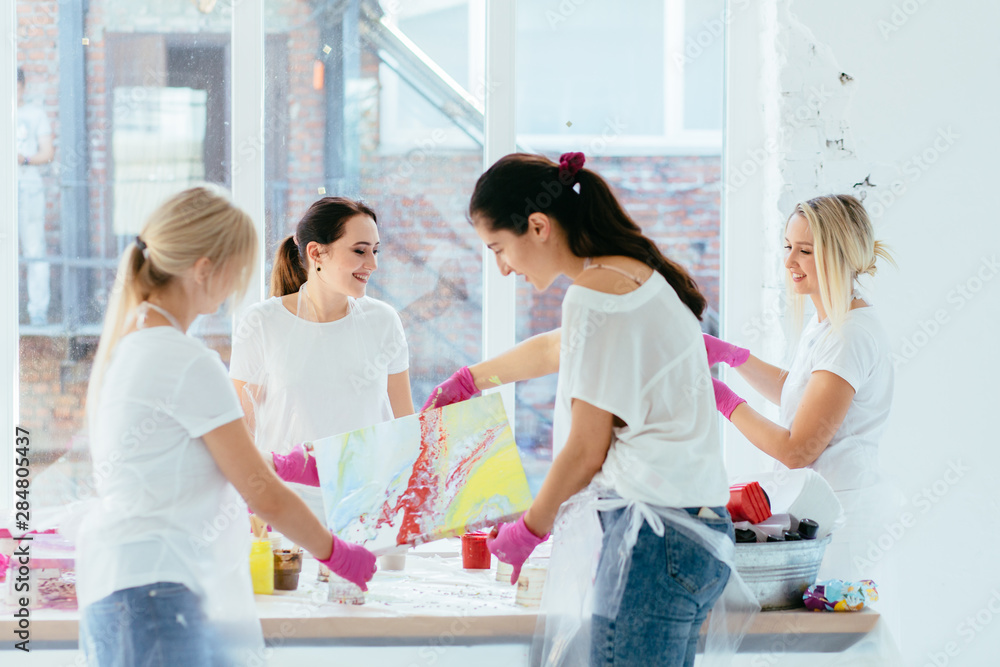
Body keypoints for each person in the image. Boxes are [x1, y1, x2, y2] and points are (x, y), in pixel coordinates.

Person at [433, 152, 753, 667]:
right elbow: (560, 349)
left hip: (654, 540)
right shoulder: (630, 277)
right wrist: (472, 379)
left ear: (537, 225)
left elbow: (585, 451)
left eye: (498, 248)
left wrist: (528, 530)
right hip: (692, 537)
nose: (502, 268)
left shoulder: (594, 296)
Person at [77, 187, 377, 666]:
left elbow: (225, 461)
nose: (241, 282)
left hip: (131, 586)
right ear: (203, 268)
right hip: (158, 592)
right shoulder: (185, 360)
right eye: (238, 267)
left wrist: (303, 464)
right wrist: (336, 553)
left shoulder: (135, 344)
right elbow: (261, 491)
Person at [708, 194, 896, 583]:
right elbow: (801, 396)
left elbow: (798, 450)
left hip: (843, 518)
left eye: (805, 251)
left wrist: (722, 400)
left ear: (840, 255)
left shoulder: (850, 335)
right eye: (788, 247)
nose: (789, 261)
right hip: (821, 509)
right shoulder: (827, 321)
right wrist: (732, 357)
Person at [229, 197, 413, 521]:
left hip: (366, 512)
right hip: (287, 512)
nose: (372, 264)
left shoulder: (383, 321)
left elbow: (405, 426)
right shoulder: (262, 322)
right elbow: (241, 434)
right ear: (316, 253)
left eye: (375, 250)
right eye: (359, 250)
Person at [17, 66, 55, 326]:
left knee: (34, 248)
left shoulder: (35, 114)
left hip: (28, 188)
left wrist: (25, 159)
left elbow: (48, 152)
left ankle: (38, 311)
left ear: (22, 86)